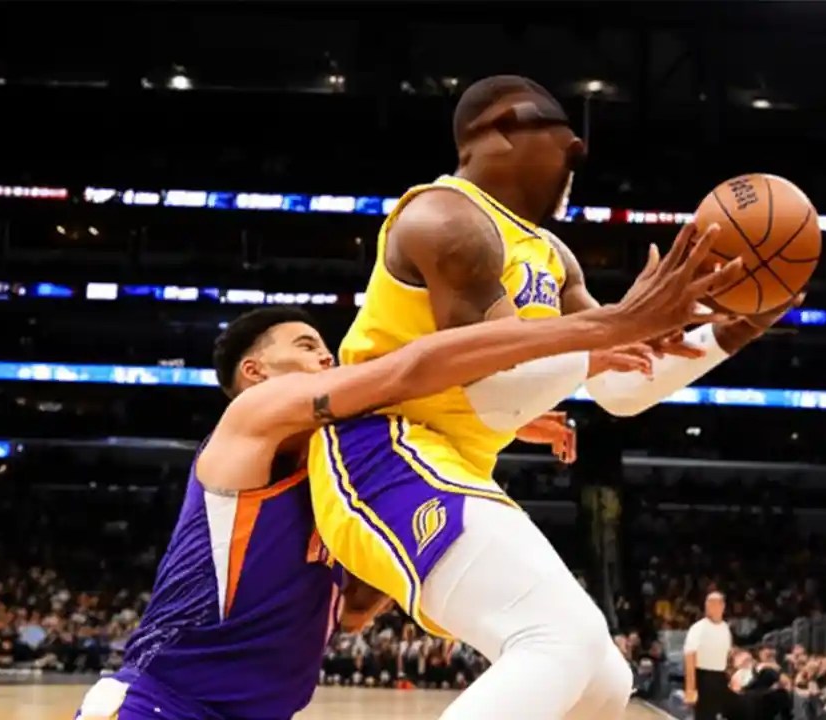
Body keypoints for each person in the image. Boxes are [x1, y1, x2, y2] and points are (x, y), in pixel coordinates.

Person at [76, 229, 742, 720]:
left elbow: (359, 612)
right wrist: (597, 333)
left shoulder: (341, 477)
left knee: (596, 672)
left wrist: (501, 423)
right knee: (566, 640)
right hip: (160, 706)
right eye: (308, 348)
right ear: (255, 372)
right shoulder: (251, 420)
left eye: (328, 347)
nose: (328, 358)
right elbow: (403, 374)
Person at [307, 73, 789, 720]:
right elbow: (495, 379)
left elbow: (618, 387)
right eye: (557, 129)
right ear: (498, 132)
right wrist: (613, 332)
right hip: (378, 449)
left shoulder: (553, 256)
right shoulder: (446, 220)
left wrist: (729, 332)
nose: (576, 149)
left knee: (602, 681)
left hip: (447, 465)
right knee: (557, 639)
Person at [684, 592, 734, 720]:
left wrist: (731, 676)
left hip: (720, 677)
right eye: (707, 602)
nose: (707, 606)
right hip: (703, 677)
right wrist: (690, 688)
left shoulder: (725, 628)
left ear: (722, 606)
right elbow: (689, 657)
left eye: (712, 603)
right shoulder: (698, 628)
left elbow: (727, 655)